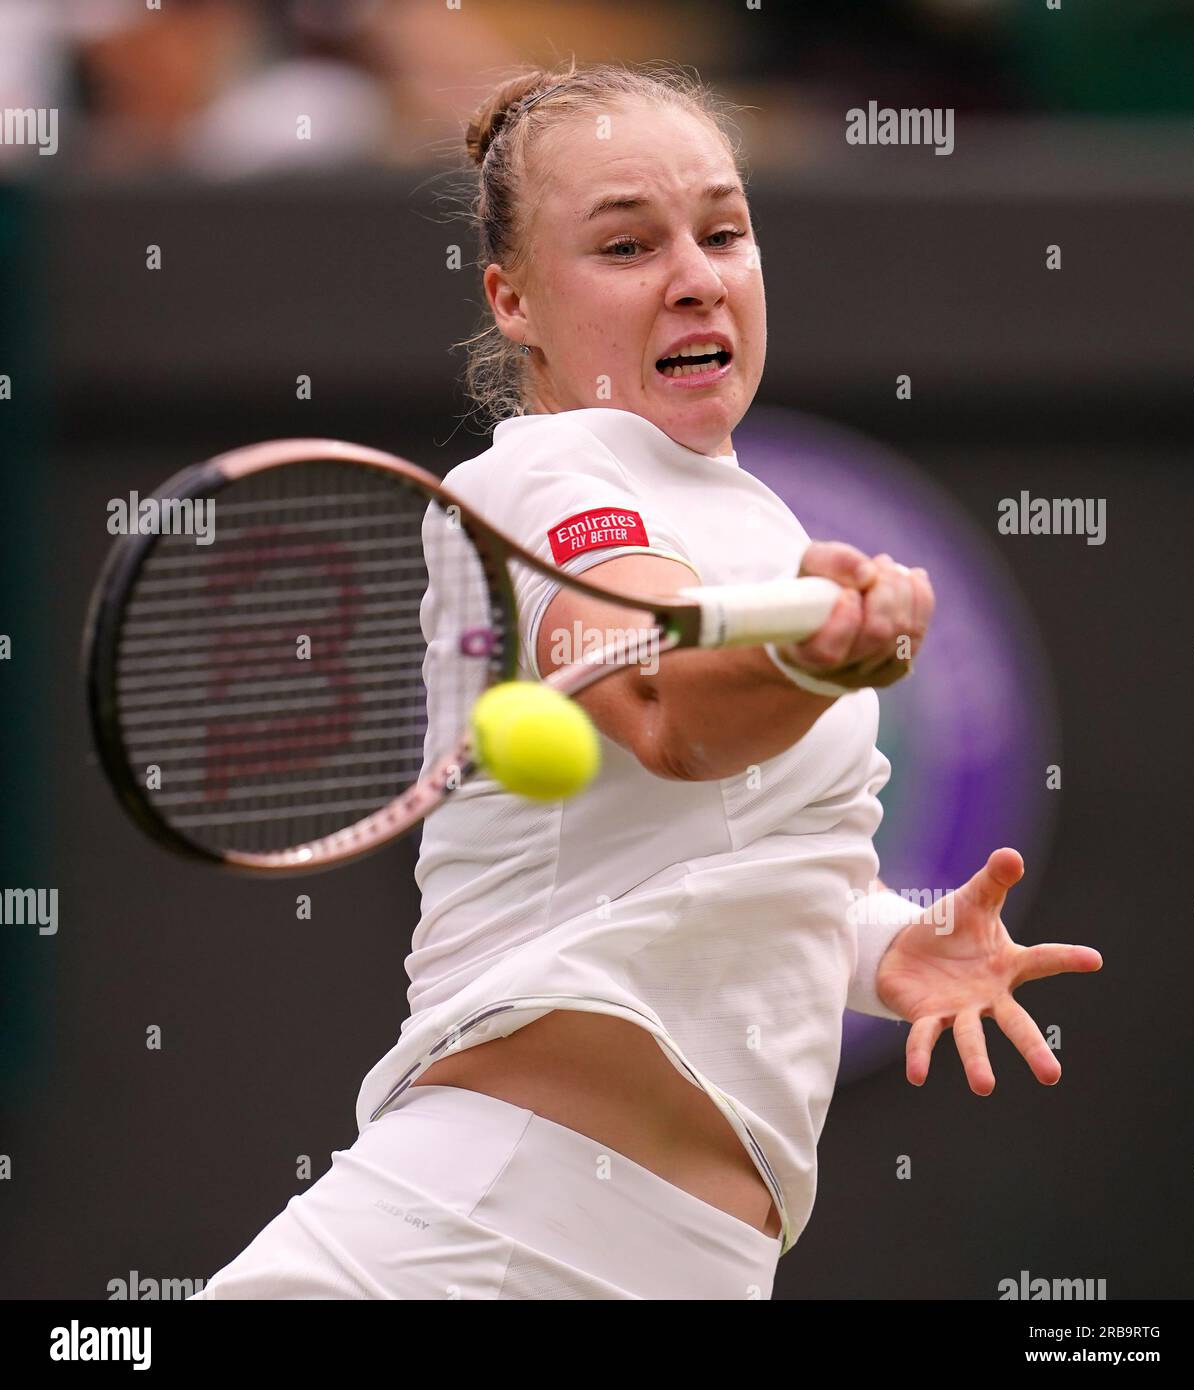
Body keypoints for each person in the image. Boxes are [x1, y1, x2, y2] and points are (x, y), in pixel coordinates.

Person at [192, 60, 1101, 1301]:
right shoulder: (540, 482)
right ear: (511, 299)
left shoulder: (763, 529)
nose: (695, 276)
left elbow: (734, 864)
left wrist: (885, 940)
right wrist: (821, 655)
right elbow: (670, 716)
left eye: (723, 231)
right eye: (626, 246)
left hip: (692, 1265)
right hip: (478, 1229)